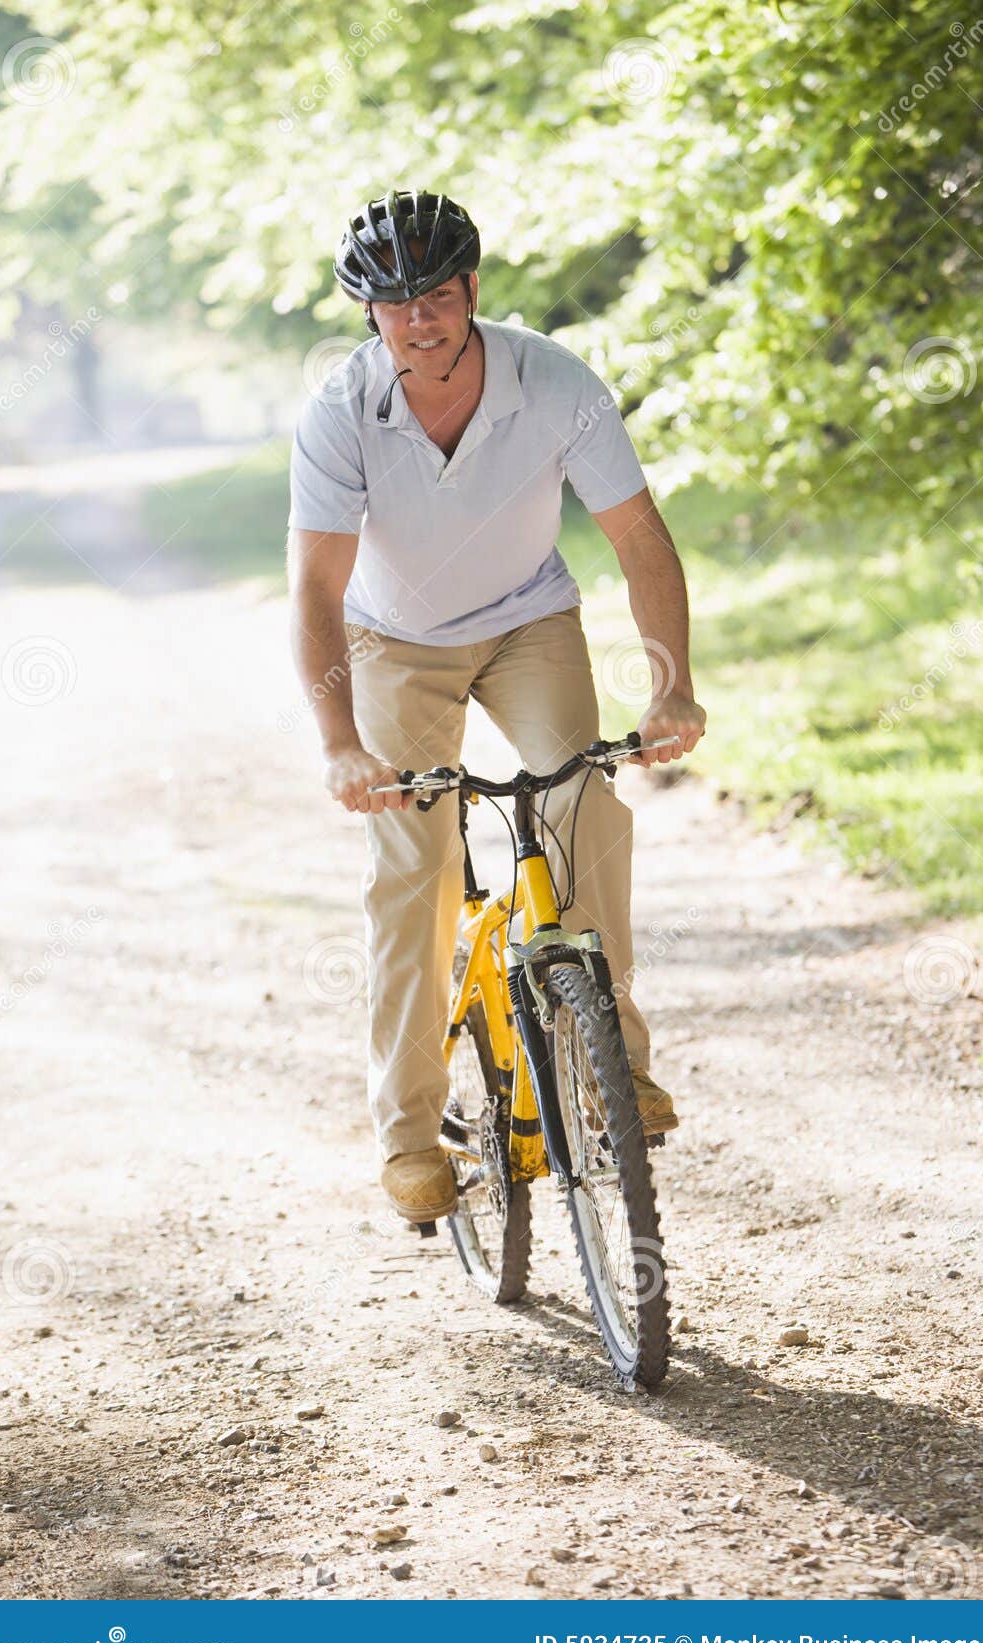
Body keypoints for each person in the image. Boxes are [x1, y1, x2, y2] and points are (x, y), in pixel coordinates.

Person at [287, 188, 706, 1225]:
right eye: (393, 304)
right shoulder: (341, 411)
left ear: (472, 288)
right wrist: (340, 742)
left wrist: (670, 688)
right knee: (414, 864)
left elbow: (638, 539)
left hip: (527, 622)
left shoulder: (553, 382)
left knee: (581, 811)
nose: (418, 318)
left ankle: (619, 1071)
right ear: (368, 315)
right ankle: (407, 1133)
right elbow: (314, 590)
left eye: (435, 293)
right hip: (393, 643)